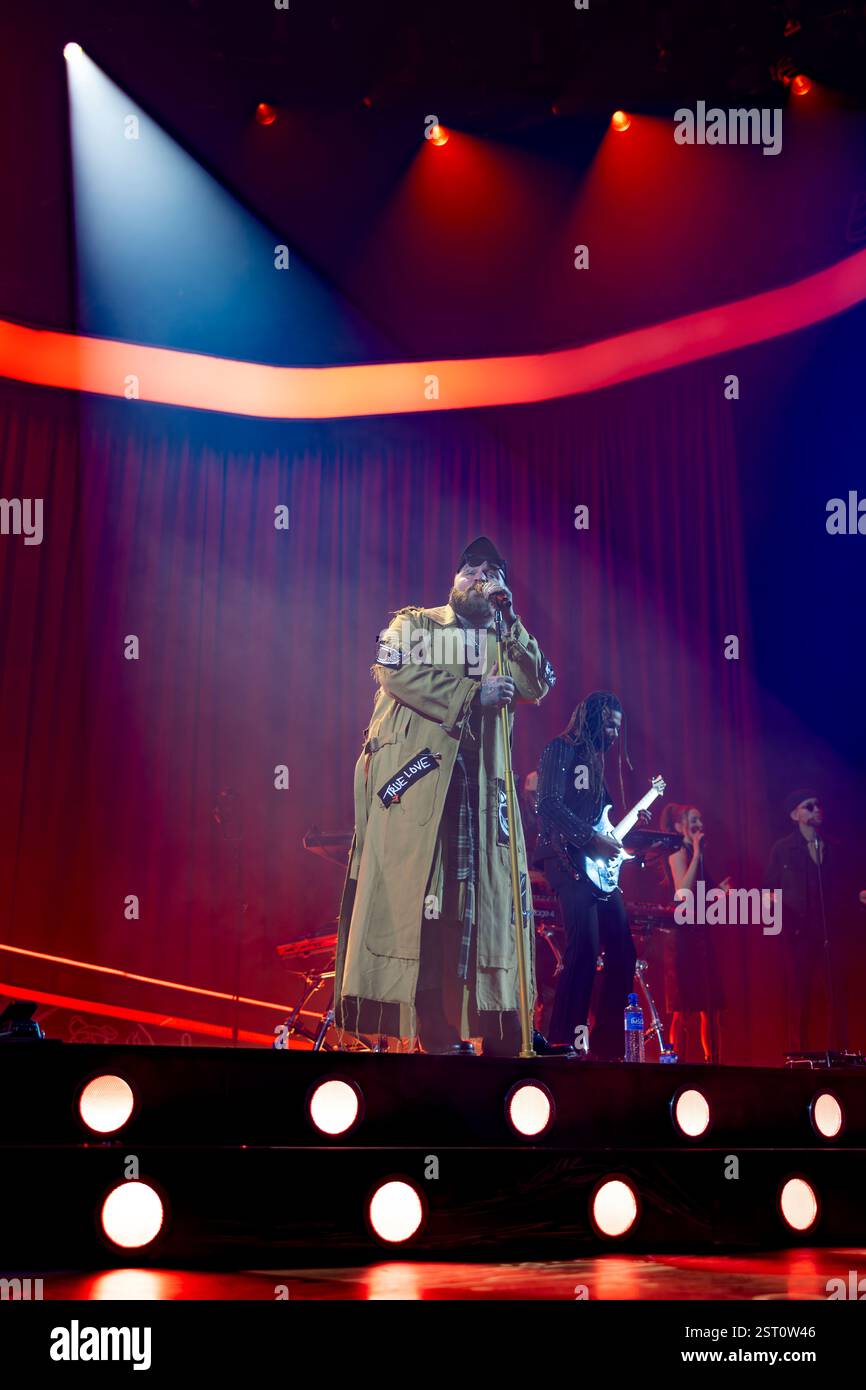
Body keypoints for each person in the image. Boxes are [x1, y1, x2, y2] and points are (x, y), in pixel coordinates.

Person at [334, 536, 565, 1056]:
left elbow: (538, 684)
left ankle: (499, 1031)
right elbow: (394, 670)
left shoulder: (502, 635)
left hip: (479, 790)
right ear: (454, 579)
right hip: (418, 784)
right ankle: (432, 1033)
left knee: (473, 910)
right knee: (423, 905)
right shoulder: (416, 624)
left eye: (491, 573)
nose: (477, 578)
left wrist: (511, 620)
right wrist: (469, 695)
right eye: (469, 570)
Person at [534, 692, 649, 1059]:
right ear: (593, 719)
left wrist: (624, 829)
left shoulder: (598, 765)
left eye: (619, 727)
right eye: (610, 725)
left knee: (623, 951)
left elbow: (602, 822)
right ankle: (562, 1040)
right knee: (582, 947)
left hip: (595, 866)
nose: (615, 734)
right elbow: (548, 803)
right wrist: (588, 838)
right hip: (561, 855)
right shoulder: (560, 748)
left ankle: (608, 1044)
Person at [763, 789, 863, 1054]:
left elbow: (845, 888)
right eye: (809, 806)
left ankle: (839, 1055)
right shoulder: (782, 849)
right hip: (798, 933)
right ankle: (799, 1058)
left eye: (818, 804)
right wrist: (772, 902)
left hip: (831, 932)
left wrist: (858, 897)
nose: (816, 809)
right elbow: (768, 888)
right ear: (795, 815)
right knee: (800, 998)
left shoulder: (833, 847)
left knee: (837, 996)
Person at [659, 802, 731, 1064]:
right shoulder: (679, 852)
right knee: (684, 1008)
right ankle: (675, 1062)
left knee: (709, 1006)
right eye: (694, 820)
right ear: (680, 826)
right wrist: (698, 853)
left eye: (701, 819)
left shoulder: (695, 853)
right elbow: (683, 894)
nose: (700, 824)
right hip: (682, 938)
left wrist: (721, 892)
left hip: (701, 935)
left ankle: (713, 1061)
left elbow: (706, 894)